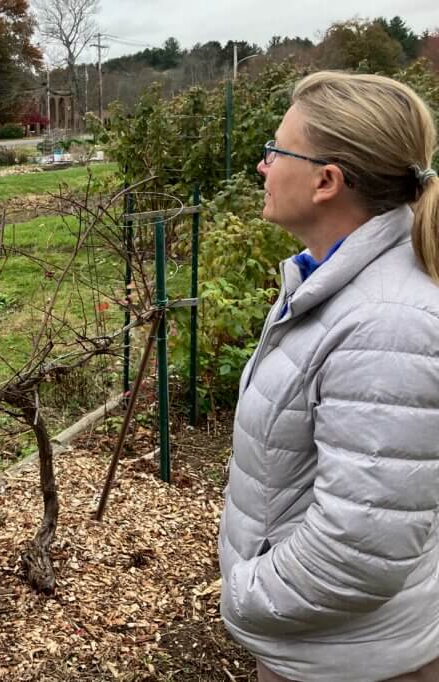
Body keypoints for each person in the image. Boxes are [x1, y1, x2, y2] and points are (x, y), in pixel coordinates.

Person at [218, 71, 439, 681]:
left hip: (350, 661)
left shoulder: (387, 325)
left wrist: (245, 595)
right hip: (327, 645)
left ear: (327, 180)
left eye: (276, 150)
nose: (263, 166)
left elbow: (359, 551)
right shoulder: (332, 284)